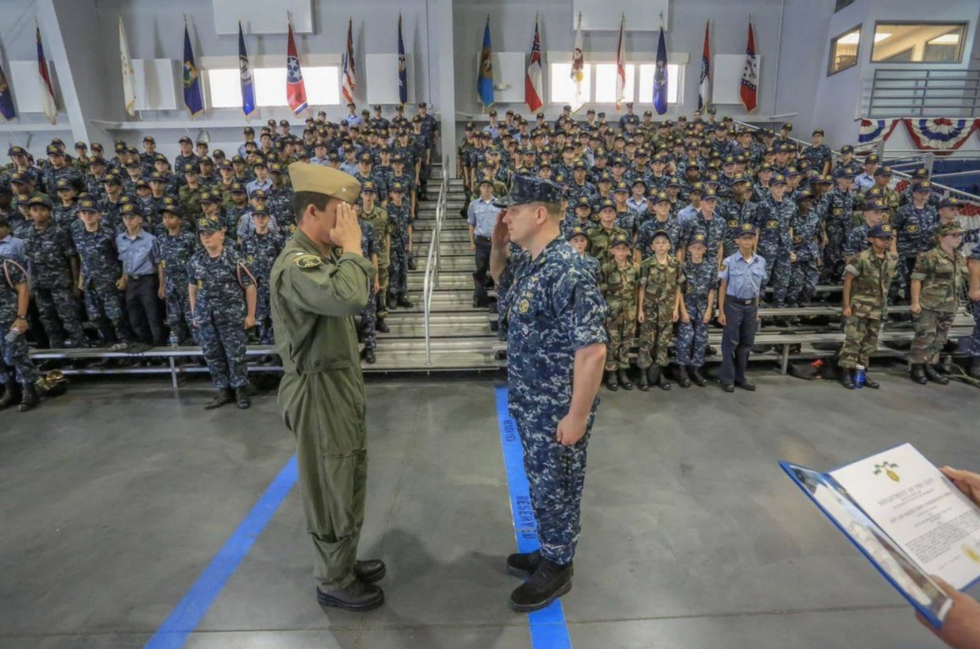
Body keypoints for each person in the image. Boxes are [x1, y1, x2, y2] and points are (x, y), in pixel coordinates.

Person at [269, 162, 386, 612]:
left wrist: (347, 253)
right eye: (341, 212)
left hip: (338, 385)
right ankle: (332, 578)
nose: (348, 221)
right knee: (328, 483)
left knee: (349, 473)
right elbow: (350, 296)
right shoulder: (298, 264)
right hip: (317, 391)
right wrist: (355, 249)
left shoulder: (322, 258)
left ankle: (346, 560)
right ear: (313, 213)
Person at [489, 174, 607, 613]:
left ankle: (559, 567)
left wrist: (576, 416)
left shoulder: (568, 268)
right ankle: (549, 548)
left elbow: (592, 352)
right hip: (532, 403)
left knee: (557, 484)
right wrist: (500, 245)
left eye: (514, 210)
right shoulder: (532, 262)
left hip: (557, 408)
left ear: (540, 214)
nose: (506, 217)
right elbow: (500, 278)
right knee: (541, 482)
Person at [188, 214, 257, 409]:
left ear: (221, 234)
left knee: (236, 355)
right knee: (212, 354)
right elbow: (192, 286)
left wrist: (251, 315)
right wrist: (194, 313)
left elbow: (250, 287)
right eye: (202, 234)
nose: (205, 237)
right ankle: (223, 390)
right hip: (206, 317)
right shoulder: (196, 260)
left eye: (210, 233)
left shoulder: (235, 258)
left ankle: (240, 390)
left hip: (231, 316)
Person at [838, 224, 898, 389]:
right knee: (853, 341)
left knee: (870, 344)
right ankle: (846, 372)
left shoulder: (890, 260)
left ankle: (861, 373)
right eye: (883, 238)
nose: (886, 241)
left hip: (878, 309)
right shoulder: (861, 258)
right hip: (860, 307)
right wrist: (846, 306)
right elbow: (848, 281)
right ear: (871, 239)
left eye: (889, 238)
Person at [24, 195, 88, 348]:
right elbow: (27, 261)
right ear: (30, 213)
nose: (39, 213)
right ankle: (57, 353)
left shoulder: (59, 231)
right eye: (35, 210)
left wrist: (74, 283)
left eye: (43, 210)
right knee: (48, 320)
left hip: (60, 282)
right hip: (39, 284)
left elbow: (72, 257)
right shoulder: (27, 233)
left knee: (69, 318)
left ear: (49, 212)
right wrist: (29, 285)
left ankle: (80, 352)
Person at [909, 221, 968, 385]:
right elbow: (916, 280)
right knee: (924, 337)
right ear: (942, 237)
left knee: (940, 339)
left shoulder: (959, 257)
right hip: (930, 303)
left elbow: (963, 278)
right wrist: (915, 302)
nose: (959, 238)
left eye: (960, 235)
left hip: (950, 304)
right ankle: (917, 366)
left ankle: (930, 365)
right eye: (954, 235)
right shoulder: (929, 256)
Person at [717, 223, 767, 392]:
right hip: (733, 304)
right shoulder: (729, 261)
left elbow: (757, 288)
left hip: (750, 305)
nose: (747, 241)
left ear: (754, 239)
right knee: (730, 343)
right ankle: (727, 378)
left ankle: (741, 377)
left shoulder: (761, 261)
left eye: (750, 237)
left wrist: (756, 309)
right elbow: (722, 287)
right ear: (737, 240)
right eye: (744, 238)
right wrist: (721, 311)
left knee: (746, 343)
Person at [637, 230, 685, 391]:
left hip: (667, 309)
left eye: (664, 242)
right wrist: (640, 310)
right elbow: (641, 288)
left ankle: (660, 374)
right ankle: (644, 373)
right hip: (649, 308)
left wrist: (676, 308)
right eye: (657, 243)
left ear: (669, 245)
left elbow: (678, 287)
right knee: (646, 341)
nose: (661, 245)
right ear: (652, 247)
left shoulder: (676, 264)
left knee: (663, 342)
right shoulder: (646, 264)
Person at [0, 217, 39, 411]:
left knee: (16, 354)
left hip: (8, 319)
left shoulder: (5, 264)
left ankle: (29, 390)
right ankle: (10, 390)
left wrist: (21, 317)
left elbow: (22, 289)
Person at [116, 204, 166, 347]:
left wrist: (162, 284)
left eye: (132, 217)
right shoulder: (120, 239)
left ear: (140, 220)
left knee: (153, 316)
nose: (128, 220)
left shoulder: (150, 239)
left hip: (147, 280)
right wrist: (124, 277)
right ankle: (143, 345)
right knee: (135, 317)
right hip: (131, 280)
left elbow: (159, 263)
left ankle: (159, 348)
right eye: (125, 218)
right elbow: (125, 261)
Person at [675, 233, 716, 388]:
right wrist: (682, 311)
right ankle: (682, 369)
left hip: (703, 309)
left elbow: (712, 290)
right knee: (686, 338)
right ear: (689, 249)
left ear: (705, 249)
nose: (697, 250)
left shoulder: (710, 267)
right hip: (688, 307)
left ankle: (696, 369)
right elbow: (679, 290)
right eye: (694, 247)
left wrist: (709, 310)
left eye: (700, 248)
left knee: (701, 339)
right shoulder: (684, 267)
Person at [599, 232, 639, 392]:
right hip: (612, 313)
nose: (621, 252)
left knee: (626, 343)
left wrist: (636, 308)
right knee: (613, 343)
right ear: (612, 250)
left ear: (628, 251)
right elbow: (601, 292)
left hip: (629, 311)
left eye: (624, 249)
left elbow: (636, 289)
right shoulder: (606, 268)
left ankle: (623, 372)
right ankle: (611, 373)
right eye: (618, 249)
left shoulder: (635, 267)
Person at [239, 209, 285, 345]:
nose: (260, 219)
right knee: (260, 319)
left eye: (263, 216)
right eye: (257, 216)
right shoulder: (246, 241)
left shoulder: (277, 239)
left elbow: (283, 262)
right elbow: (243, 265)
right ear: (252, 219)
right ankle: (265, 348)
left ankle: (279, 349)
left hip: (273, 285)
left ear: (269, 219)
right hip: (255, 288)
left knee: (276, 318)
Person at [468, 178, 497, 308]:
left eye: (488, 186)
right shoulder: (473, 204)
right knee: (480, 271)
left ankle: (499, 299)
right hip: (480, 241)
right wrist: (471, 242)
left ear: (492, 188)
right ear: (480, 189)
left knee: (497, 271)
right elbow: (471, 224)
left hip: (495, 242)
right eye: (484, 186)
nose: (486, 188)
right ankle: (479, 297)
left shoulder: (498, 204)